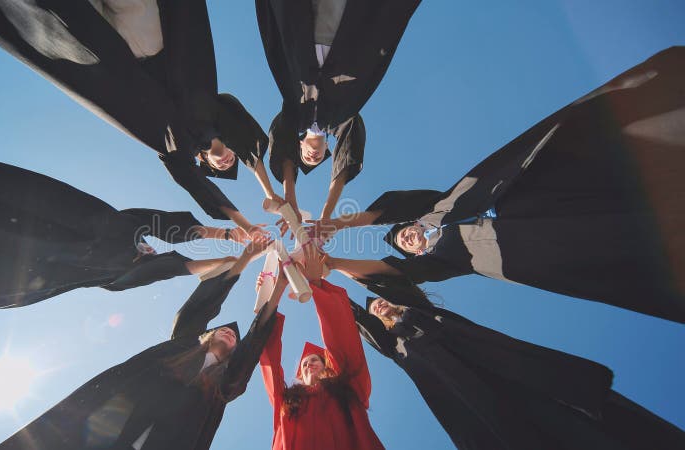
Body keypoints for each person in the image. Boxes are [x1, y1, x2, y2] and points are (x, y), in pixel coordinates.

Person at [310, 46, 685, 324]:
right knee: (625, 236)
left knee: (610, 152)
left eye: (404, 233)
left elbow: (387, 210)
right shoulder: (445, 261)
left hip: (525, 184)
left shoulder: (439, 206)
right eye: (405, 246)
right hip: (532, 244)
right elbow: (393, 274)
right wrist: (334, 263)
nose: (406, 239)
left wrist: (339, 223)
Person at [0, 0, 276, 238]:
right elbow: (250, 146)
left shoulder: (179, 142)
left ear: (206, 164)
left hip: (109, 59)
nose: (227, 160)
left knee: (59, 15)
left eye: (220, 168)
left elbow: (190, 178)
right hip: (151, 34)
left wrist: (242, 224)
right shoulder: (213, 111)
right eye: (232, 158)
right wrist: (270, 192)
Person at [0, 121, 242, 325]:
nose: (150, 248)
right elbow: (157, 228)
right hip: (34, 211)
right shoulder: (117, 226)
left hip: (3, 266)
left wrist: (233, 257)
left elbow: (175, 266)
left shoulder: (110, 277)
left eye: (149, 252)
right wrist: (226, 234)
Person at [0, 238, 284, 450]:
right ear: (204, 336)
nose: (228, 333)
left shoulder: (224, 384)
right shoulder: (180, 348)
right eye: (221, 330)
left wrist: (278, 287)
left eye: (233, 337)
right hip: (101, 430)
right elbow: (199, 308)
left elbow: (256, 340)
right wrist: (245, 258)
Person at [349, 278, 685, 449]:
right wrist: (317, 280)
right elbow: (355, 319)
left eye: (380, 300)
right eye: (375, 307)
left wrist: (341, 264)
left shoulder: (421, 310)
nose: (378, 305)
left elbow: (389, 280)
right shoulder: (398, 345)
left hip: (525, 378)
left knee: (600, 430)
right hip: (485, 405)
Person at [256, 0, 422, 229]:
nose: (312, 158)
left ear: (300, 144)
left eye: (304, 157)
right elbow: (348, 147)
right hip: (349, 37)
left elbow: (282, 134)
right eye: (316, 159)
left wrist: (289, 197)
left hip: (302, 33)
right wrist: (326, 213)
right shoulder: (341, 115)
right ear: (328, 150)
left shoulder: (296, 110)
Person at [259, 244, 384, 449]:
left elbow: (343, 341)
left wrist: (315, 283)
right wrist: (271, 299)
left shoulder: (349, 386)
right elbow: (269, 362)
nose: (308, 365)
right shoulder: (286, 401)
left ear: (327, 366)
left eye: (314, 360)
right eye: (305, 364)